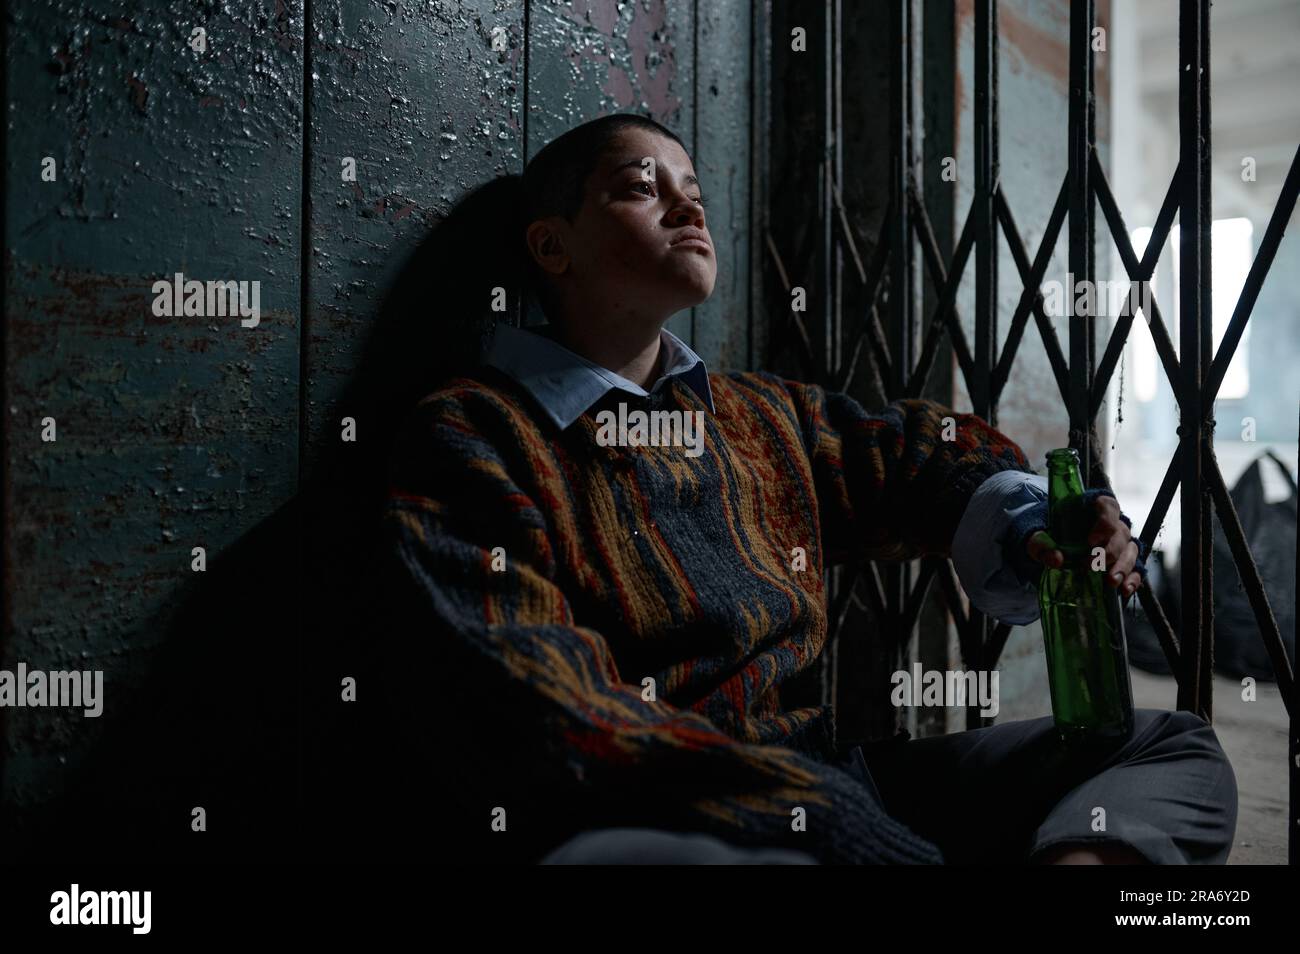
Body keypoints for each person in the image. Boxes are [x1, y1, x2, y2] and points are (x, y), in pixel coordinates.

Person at [375, 113, 1237, 864]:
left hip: (831, 781)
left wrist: (1039, 526)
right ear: (550, 244)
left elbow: (916, 457)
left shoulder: (755, 414)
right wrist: (829, 827)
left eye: (694, 186)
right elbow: (538, 699)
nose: (688, 206)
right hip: (666, 809)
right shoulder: (474, 435)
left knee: (1173, 748)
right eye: (641, 187)